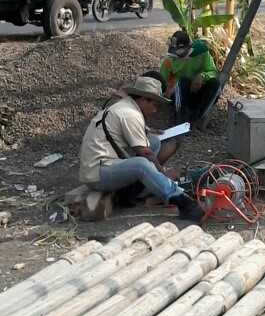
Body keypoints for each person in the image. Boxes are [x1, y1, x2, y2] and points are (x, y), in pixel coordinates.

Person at [79, 76, 203, 221]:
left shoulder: (125, 106)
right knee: (142, 164)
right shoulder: (131, 114)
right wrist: (164, 175)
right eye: (154, 105)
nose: (155, 110)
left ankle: (133, 191)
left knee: (154, 141)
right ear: (143, 100)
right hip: (97, 173)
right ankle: (182, 201)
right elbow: (145, 153)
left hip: (102, 165)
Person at [103, 71, 183, 167]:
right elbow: (119, 115)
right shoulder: (124, 104)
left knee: (157, 142)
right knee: (149, 153)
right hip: (109, 155)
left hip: (119, 149)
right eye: (154, 104)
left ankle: (151, 172)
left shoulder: (133, 103)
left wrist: (146, 129)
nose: (155, 111)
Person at [160, 30, 221, 126]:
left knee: (216, 84)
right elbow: (161, 83)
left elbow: (213, 72)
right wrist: (166, 93)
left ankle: (196, 119)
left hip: (197, 93)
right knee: (183, 81)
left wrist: (202, 76)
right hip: (178, 96)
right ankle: (180, 121)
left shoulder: (201, 52)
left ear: (188, 46)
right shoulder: (170, 60)